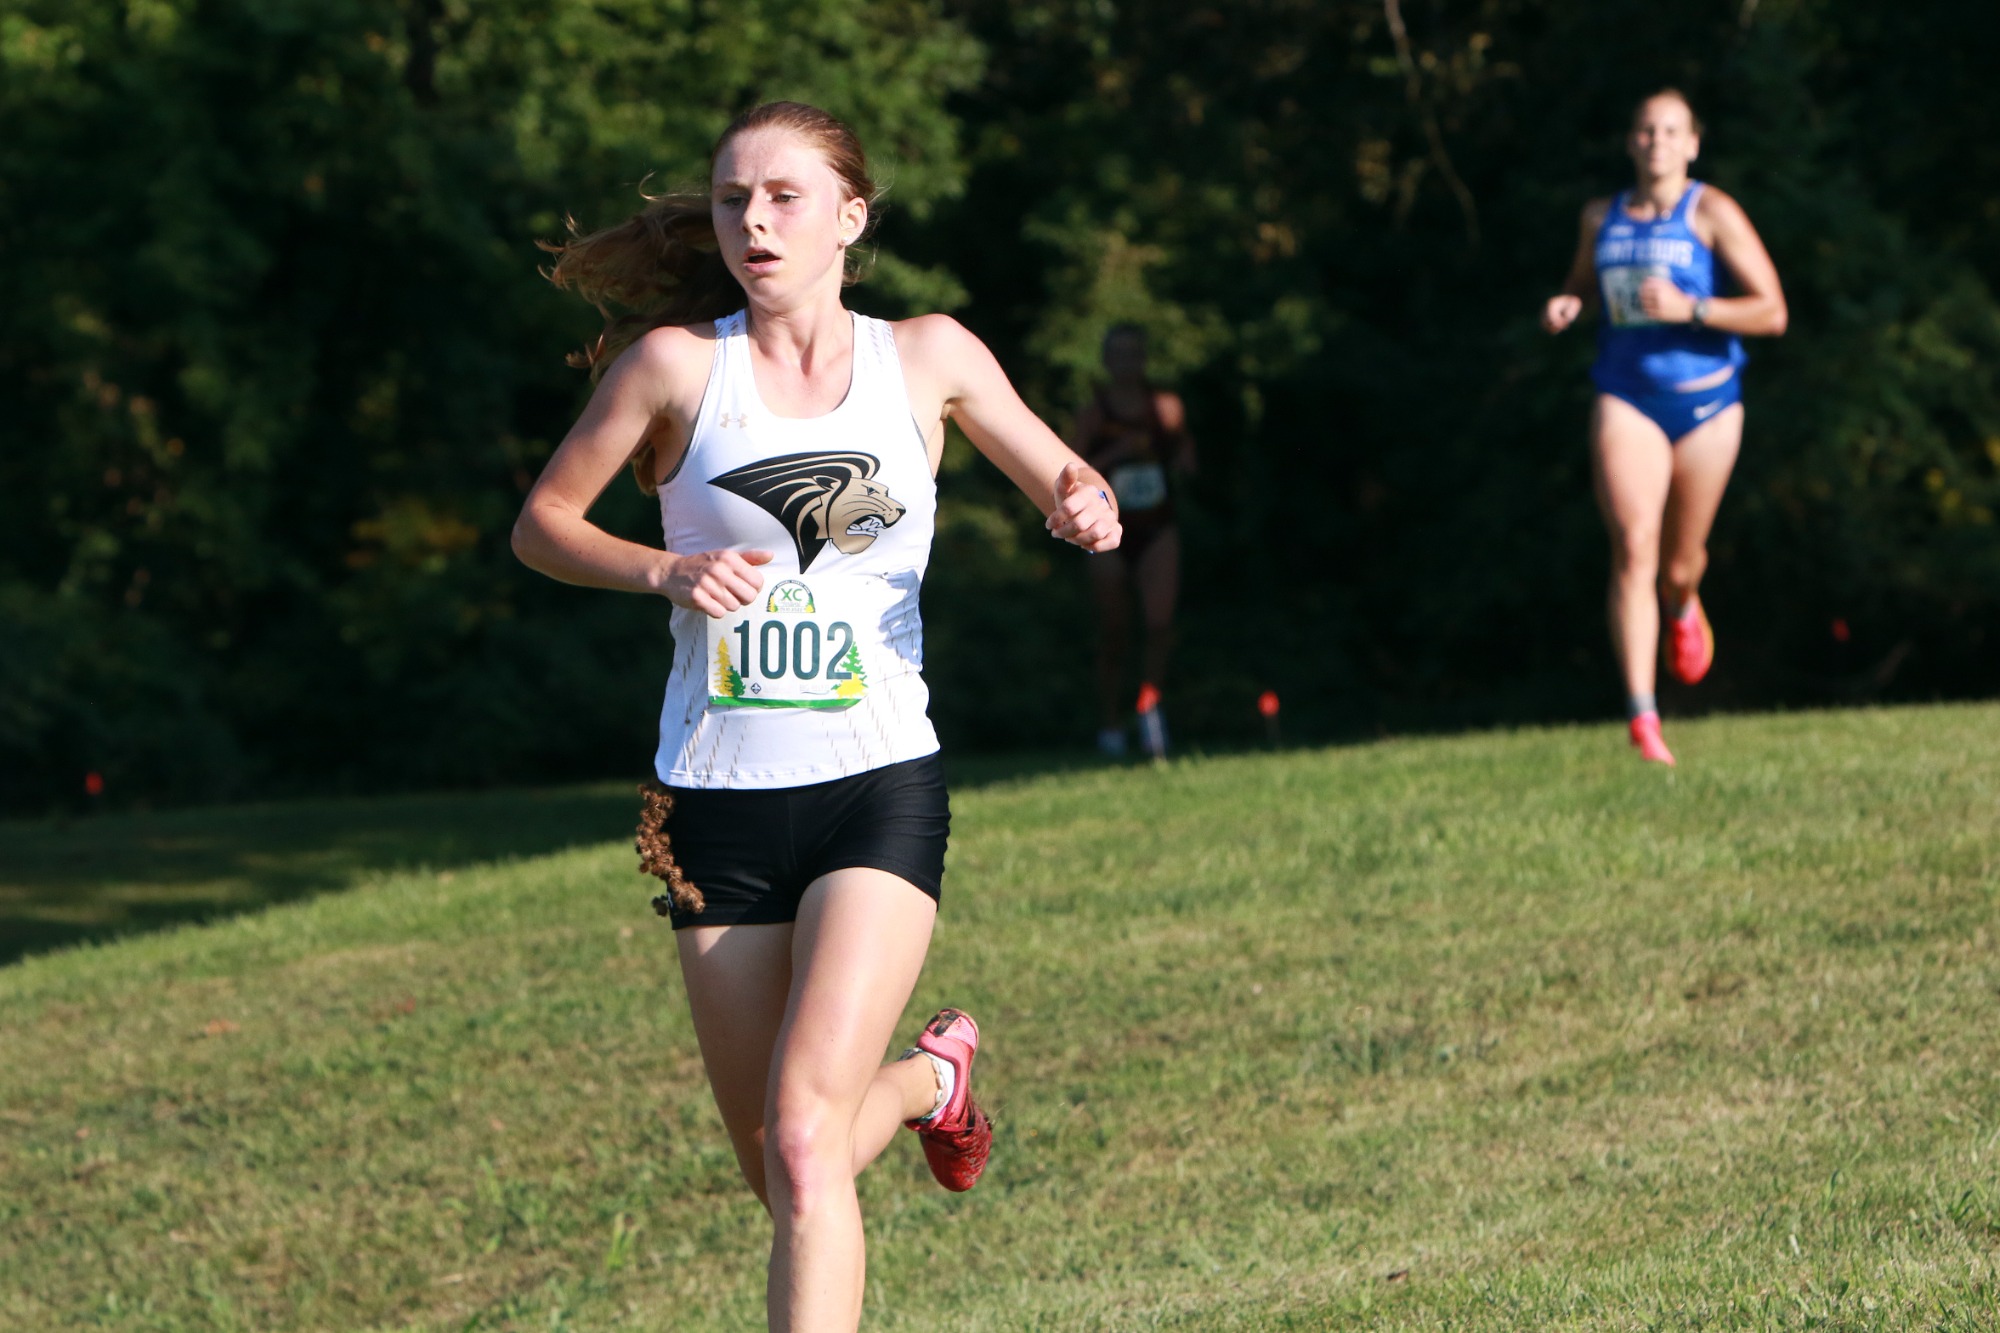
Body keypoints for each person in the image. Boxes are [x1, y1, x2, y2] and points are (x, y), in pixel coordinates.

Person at [511, 102, 1121, 1331]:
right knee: (791, 1168)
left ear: (850, 216)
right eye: (734, 198)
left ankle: (913, 1082)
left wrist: (1081, 500)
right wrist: (663, 570)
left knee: (799, 1141)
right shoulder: (676, 368)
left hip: (875, 786)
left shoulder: (929, 356)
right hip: (711, 802)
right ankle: (929, 1081)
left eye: (784, 197)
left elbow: (1063, 472)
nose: (753, 221)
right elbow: (541, 527)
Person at [1542, 88, 1787, 766]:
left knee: (1679, 564)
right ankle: (1643, 717)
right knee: (1634, 543)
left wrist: (1693, 307)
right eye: (1645, 130)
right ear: (1630, 142)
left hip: (1708, 404)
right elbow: (1583, 285)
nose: (1656, 141)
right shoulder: (1602, 217)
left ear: (1692, 144)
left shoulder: (1712, 213)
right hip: (1626, 396)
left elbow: (1772, 312)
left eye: (1670, 130)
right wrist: (1569, 303)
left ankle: (1684, 604)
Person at [1071, 323, 1196, 759]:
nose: (1127, 361)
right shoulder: (1095, 412)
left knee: (1160, 624)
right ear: (1107, 360)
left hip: (1158, 525)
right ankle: (1109, 723)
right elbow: (1070, 470)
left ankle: (1150, 711)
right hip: (1109, 532)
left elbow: (1186, 458)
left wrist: (1175, 457)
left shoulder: (1166, 408)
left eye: (1134, 352)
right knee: (1114, 630)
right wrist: (1118, 454)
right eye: (1118, 353)